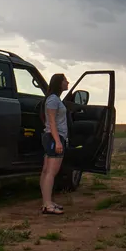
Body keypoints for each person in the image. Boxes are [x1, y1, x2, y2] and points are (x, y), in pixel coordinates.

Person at [39, 72, 70, 216]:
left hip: (52, 137)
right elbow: (51, 121)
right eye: (65, 80)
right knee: (51, 172)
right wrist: (58, 141)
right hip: (54, 137)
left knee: (46, 171)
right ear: (59, 83)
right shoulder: (53, 100)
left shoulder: (55, 99)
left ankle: (47, 202)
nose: (67, 82)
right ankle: (47, 205)